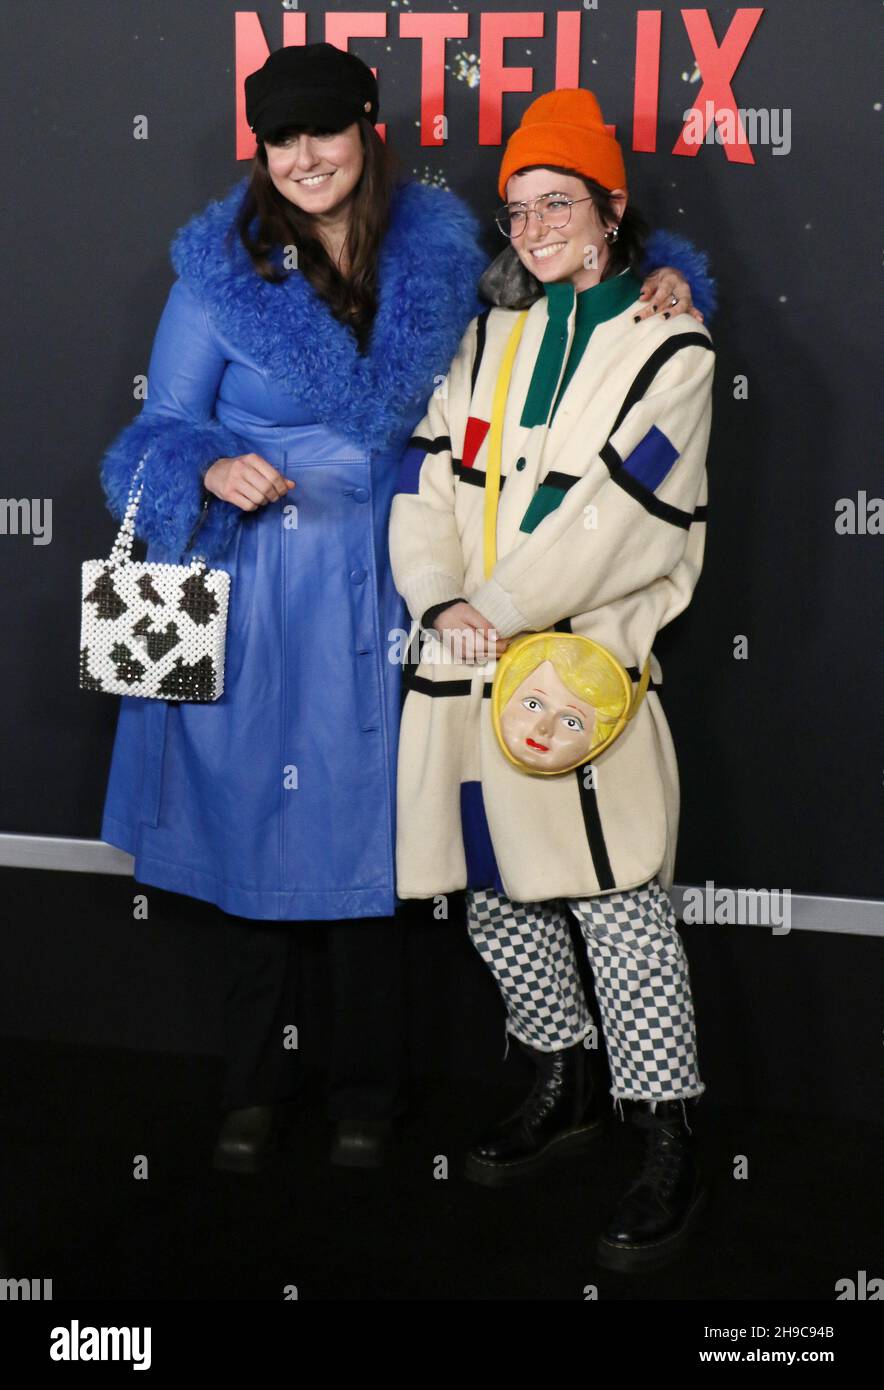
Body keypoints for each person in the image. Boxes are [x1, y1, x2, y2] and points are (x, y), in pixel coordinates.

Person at [96, 44, 711, 1176]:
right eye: (281, 140)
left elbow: (578, 268)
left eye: (324, 132)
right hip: (274, 599)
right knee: (258, 835)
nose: (305, 159)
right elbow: (153, 440)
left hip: (413, 594)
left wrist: (670, 274)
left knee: (388, 847)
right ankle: (255, 1084)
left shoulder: (440, 255)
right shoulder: (218, 274)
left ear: (367, 133)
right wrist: (205, 469)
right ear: (262, 152)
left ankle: (374, 1092)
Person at [389, 88, 714, 1272]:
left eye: (557, 204)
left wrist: (496, 609)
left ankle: (665, 1126)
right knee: (493, 894)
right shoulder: (488, 337)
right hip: (463, 663)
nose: (531, 229)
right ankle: (560, 1072)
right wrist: (438, 602)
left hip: (576, 672)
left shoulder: (670, 347)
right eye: (516, 209)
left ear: (612, 209)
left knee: (618, 903)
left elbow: (620, 526)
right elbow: (425, 486)